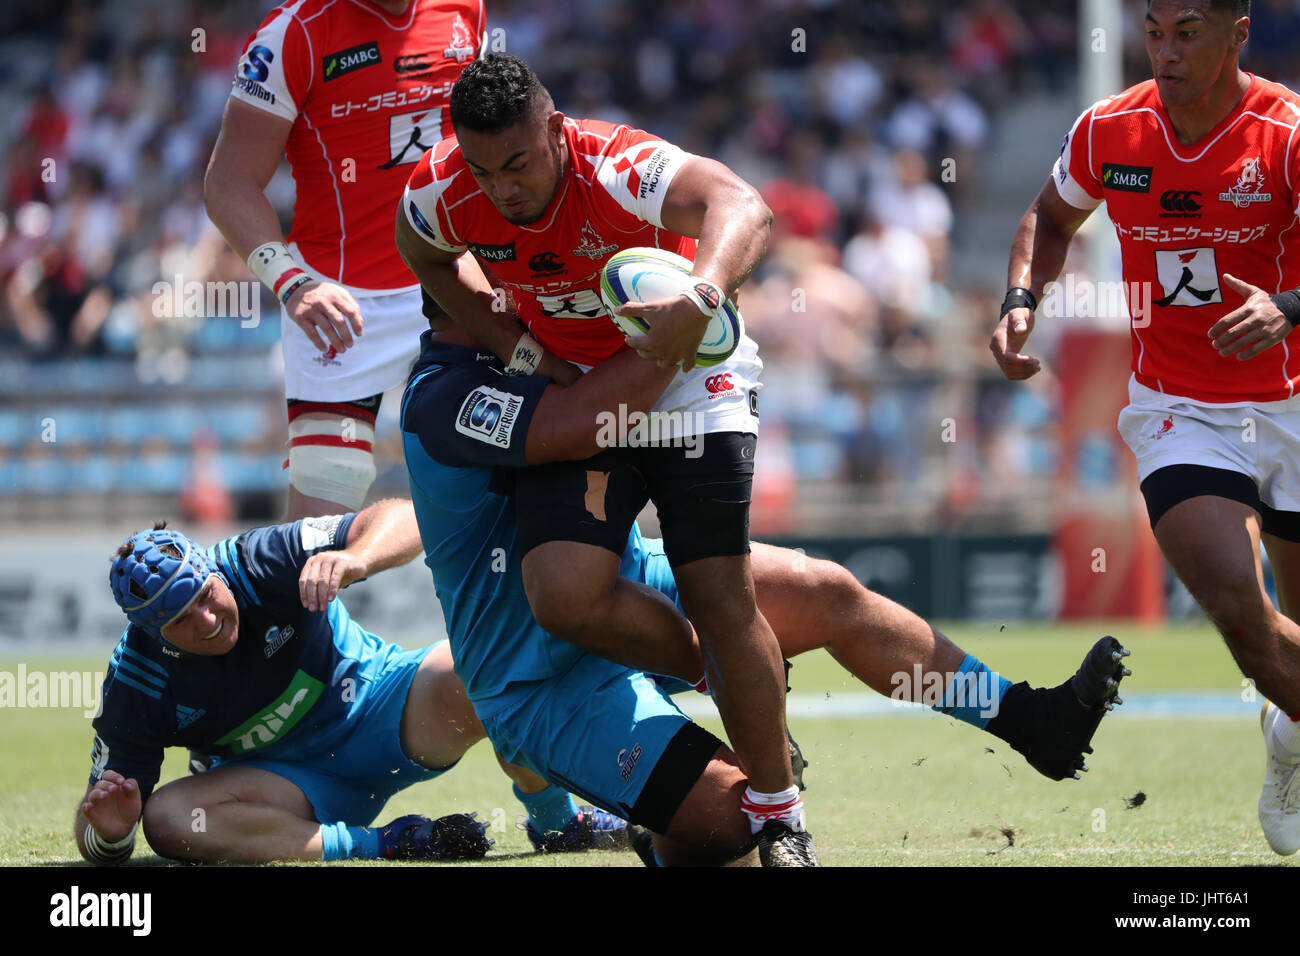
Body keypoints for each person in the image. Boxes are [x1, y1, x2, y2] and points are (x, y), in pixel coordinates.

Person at [399, 314, 1133, 866]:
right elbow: (579, 419)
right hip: (541, 677)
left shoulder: (540, 328)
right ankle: (663, 837)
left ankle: (1031, 721)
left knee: (829, 592)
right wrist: (687, 329)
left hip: (628, 580)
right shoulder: (444, 395)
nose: (512, 278)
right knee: (735, 830)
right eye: (490, 275)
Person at [396, 52, 810, 863]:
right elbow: (423, 258)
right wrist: (516, 348)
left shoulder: (618, 164)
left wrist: (703, 296)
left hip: (693, 377)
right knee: (561, 591)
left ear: (555, 131)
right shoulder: (439, 192)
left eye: (517, 164)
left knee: (719, 592)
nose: (502, 190)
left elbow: (744, 204)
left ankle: (781, 815)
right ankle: (723, 677)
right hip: (591, 393)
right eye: (484, 172)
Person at [988, 0, 1300, 855]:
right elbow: (1049, 220)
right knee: (1242, 610)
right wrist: (1022, 300)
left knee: (1292, 654)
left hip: (1293, 402)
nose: (1164, 51)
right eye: (1154, 30)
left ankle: (1288, 737)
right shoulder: (1108, 131)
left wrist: (1289, 306)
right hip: (1179, 410)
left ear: (1238, 33)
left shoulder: (1286, 131)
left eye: (1187, 32)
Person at [76, 498, 615, 865]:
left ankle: (556, 823)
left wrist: (357, 557)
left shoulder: (256, 560)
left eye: (204, 597)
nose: (208, 620)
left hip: (386, 707)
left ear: (211, 571)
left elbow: (403, 516)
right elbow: (97, 828)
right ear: (153, 633)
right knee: (170, 819)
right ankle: (385, 843)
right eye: (181, 621)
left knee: (488, 661)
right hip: (289, 790)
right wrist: (111, 832)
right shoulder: (137, 681)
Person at [205, 0, 486, 519]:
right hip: (337, 301)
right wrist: (291, 284)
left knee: (494, 496)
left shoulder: (466, 8)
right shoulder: (292, 35)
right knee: (314, 534)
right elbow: (228, 183)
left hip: (455, 279)